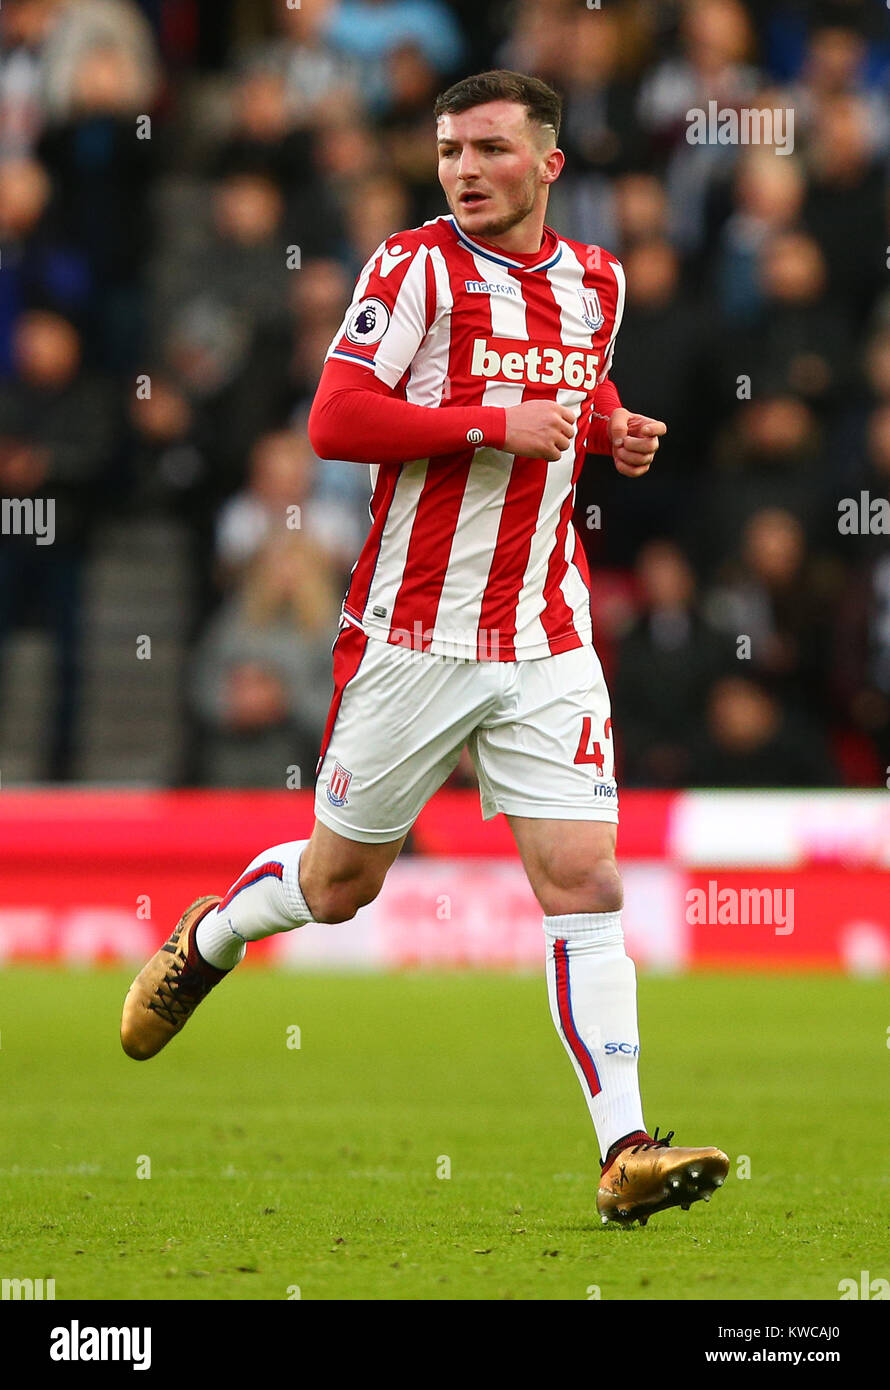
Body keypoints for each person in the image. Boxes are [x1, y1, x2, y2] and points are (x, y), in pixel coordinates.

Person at [121, 69, 728, 1227]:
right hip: (413, 631)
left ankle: (623, 1150)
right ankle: (212, 935)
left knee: (584, 878)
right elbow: (334, 418)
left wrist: (607, 427)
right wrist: (491, 423)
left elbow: (570, 388)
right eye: (449, 150)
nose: (463, 169)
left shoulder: (596, 281)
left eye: (490, 148)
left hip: (544, 630)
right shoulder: (412, 270)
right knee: (338, 886)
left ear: (548, 164)